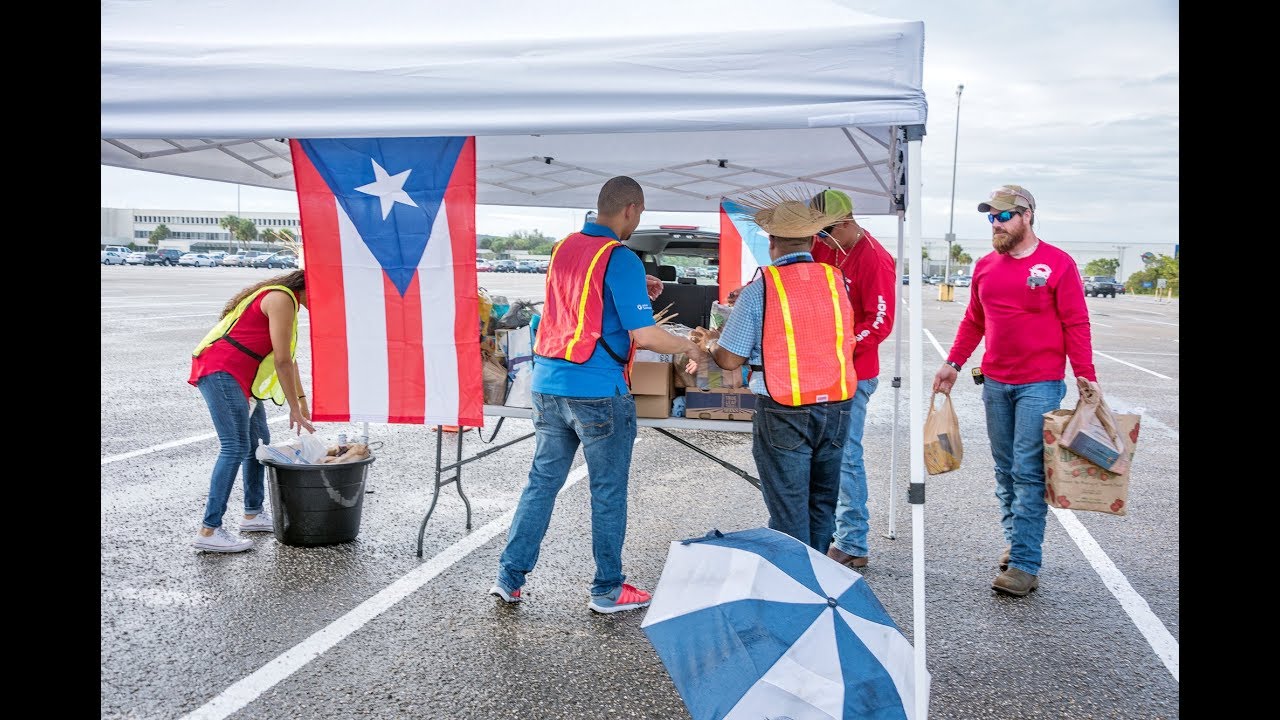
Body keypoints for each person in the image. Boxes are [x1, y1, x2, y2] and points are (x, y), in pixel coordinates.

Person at [490, 176, 709, 614]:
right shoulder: (620, 258)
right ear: (630, 209)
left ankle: (508, 578)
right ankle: (607, 588)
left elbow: (581, 301)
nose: (637, 222)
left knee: (541, 484)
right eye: (640, 214)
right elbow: (645, 336)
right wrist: (690, 345)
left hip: (549, 384)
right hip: (598, 392)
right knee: (608, 491)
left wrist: (634, 289)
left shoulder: (564, 248)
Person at [931, 185, 1097, 597]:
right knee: (1005, 471)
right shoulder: (986, 266)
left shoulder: (1058, 264)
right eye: (990, 216)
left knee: (1026, 471)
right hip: (995, 383)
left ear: (1027, 216)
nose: (995, 223)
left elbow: (1076, 322)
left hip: (1040, 384)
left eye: (1003, 216)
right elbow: (974, 321)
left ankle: (1024, 563)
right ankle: (1015, 539)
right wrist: (952, 363)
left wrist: (1085, 375)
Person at [693, 192, 856, 552]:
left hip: (784, 407)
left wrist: (708, 344)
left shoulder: (762, 288)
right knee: (822, 504)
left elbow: (730, 360)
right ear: (813, 240)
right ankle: (819, 580)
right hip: (837, 404)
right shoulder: (836, 280)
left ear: (771, 243)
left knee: (788, 510)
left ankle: (796, 586)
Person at [188, 270, 314, 553]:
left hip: (240, 377)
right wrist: (293, 407)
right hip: (222, 371)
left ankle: (252, 513)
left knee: (258, 443)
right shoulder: (282, 299)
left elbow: (289, 360)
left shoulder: (286, 299)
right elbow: (281, 361)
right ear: (310, 287)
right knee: (234, 446)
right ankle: (209, 529)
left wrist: (302, 401)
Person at [807, 189, 898, 570]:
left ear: (845, 222)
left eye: (824, 232)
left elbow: (879, 322)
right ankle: (823, 533)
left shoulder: (874, 258)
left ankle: (853, 541)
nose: (819, 240)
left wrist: (839, 346)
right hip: (819, 368)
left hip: (854, 373)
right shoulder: (823, 246)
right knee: (819, 454)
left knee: (845, 456)